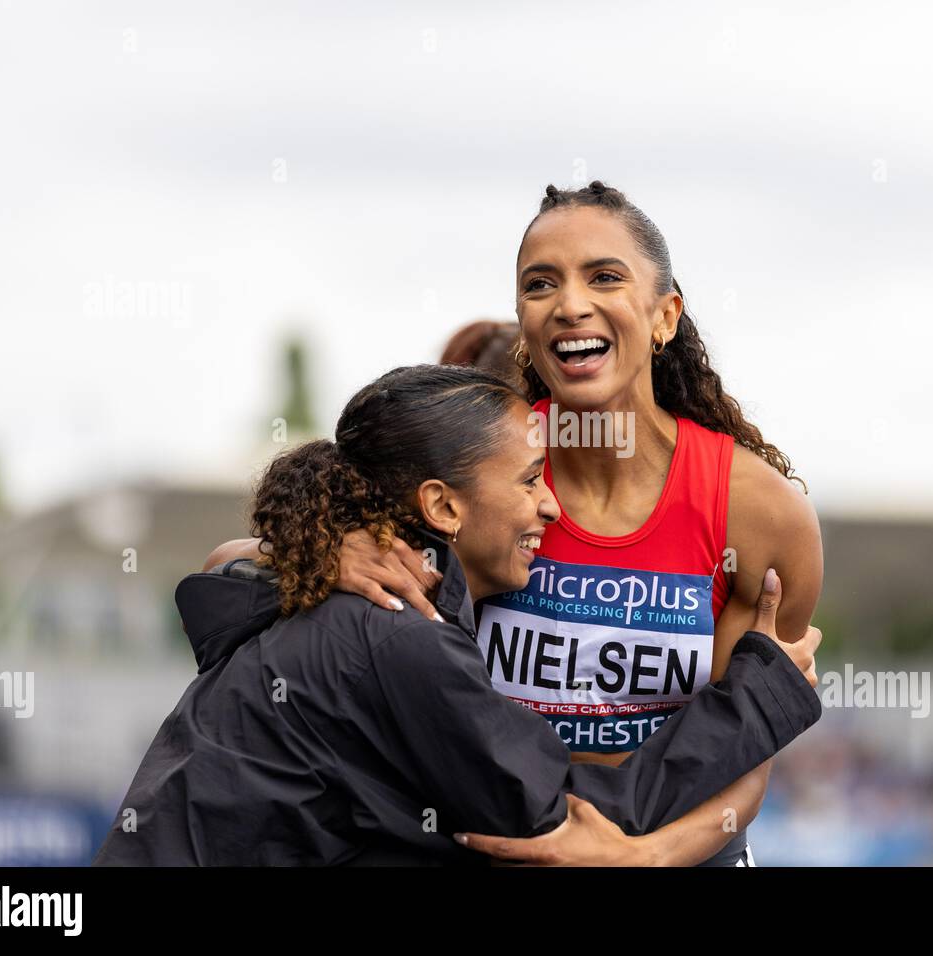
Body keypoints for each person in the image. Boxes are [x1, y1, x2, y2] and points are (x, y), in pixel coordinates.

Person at [203, 181, 823, 866]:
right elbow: (232, 575)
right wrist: (332, 549)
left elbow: (745, 756)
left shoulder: (759, 512)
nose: (570, 304)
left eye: (605, 277)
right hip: (495, 838)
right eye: (540, 284)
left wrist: (637, 860)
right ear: (523, 319)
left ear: (664, 315)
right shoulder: (484, 474)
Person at [94, 365, 822, 866]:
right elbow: (561, 821)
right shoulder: (400, 637)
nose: (551, 505)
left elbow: (226, 578)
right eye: (533, 480)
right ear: (442, 506)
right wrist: (763, 695)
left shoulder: (337, 593)